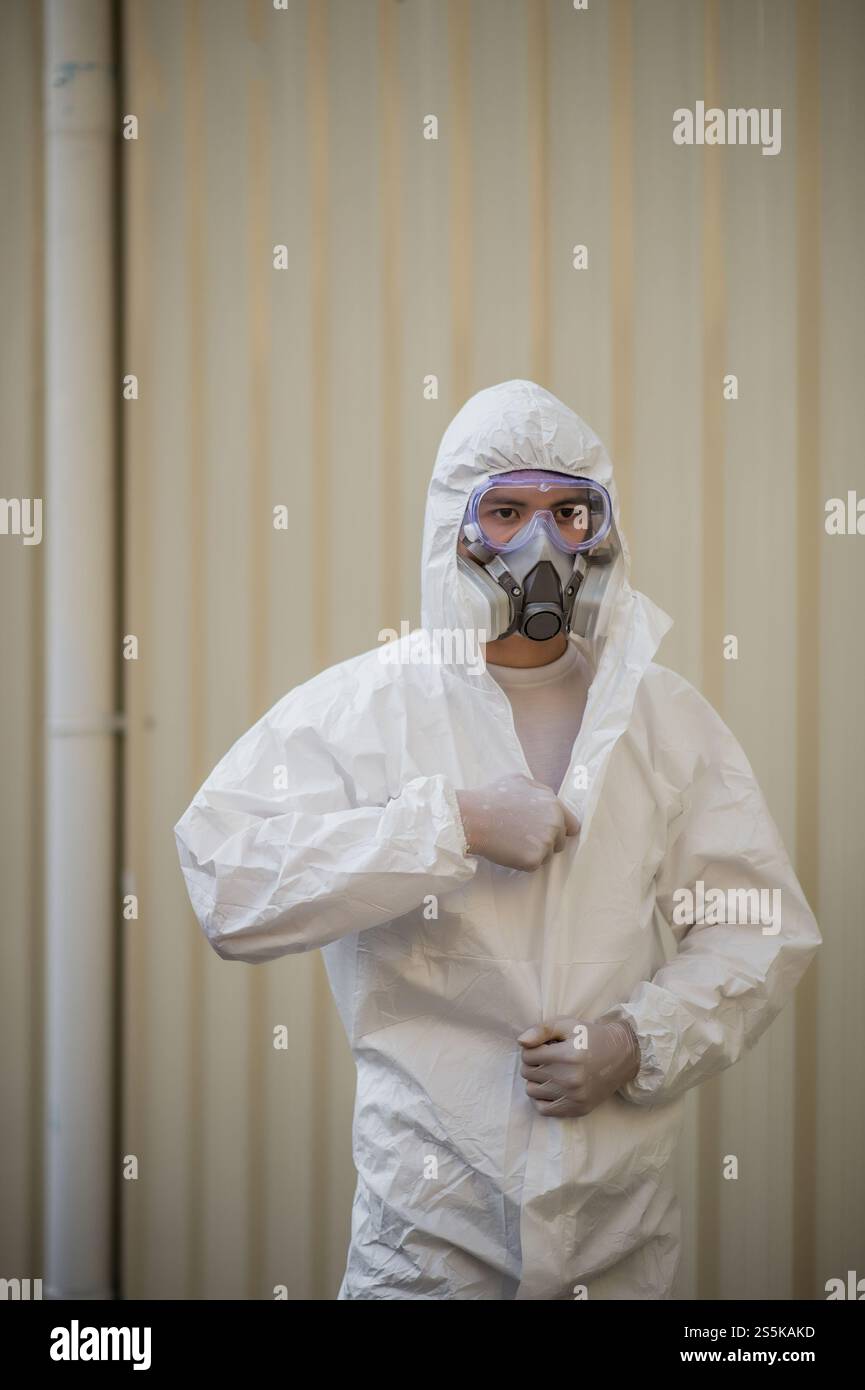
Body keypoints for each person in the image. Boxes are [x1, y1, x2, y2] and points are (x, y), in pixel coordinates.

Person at [174, 378, 821, 1300]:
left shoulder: (661, 719)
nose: (540, 543)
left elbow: (757, 923)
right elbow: (227, 883)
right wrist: (452, 825)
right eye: (507, 511)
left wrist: (638, 1040)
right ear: (456, 528)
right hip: (429, 1235)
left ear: (603, 529)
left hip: (617, 1232)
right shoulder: (370, 707)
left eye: (569, 512)